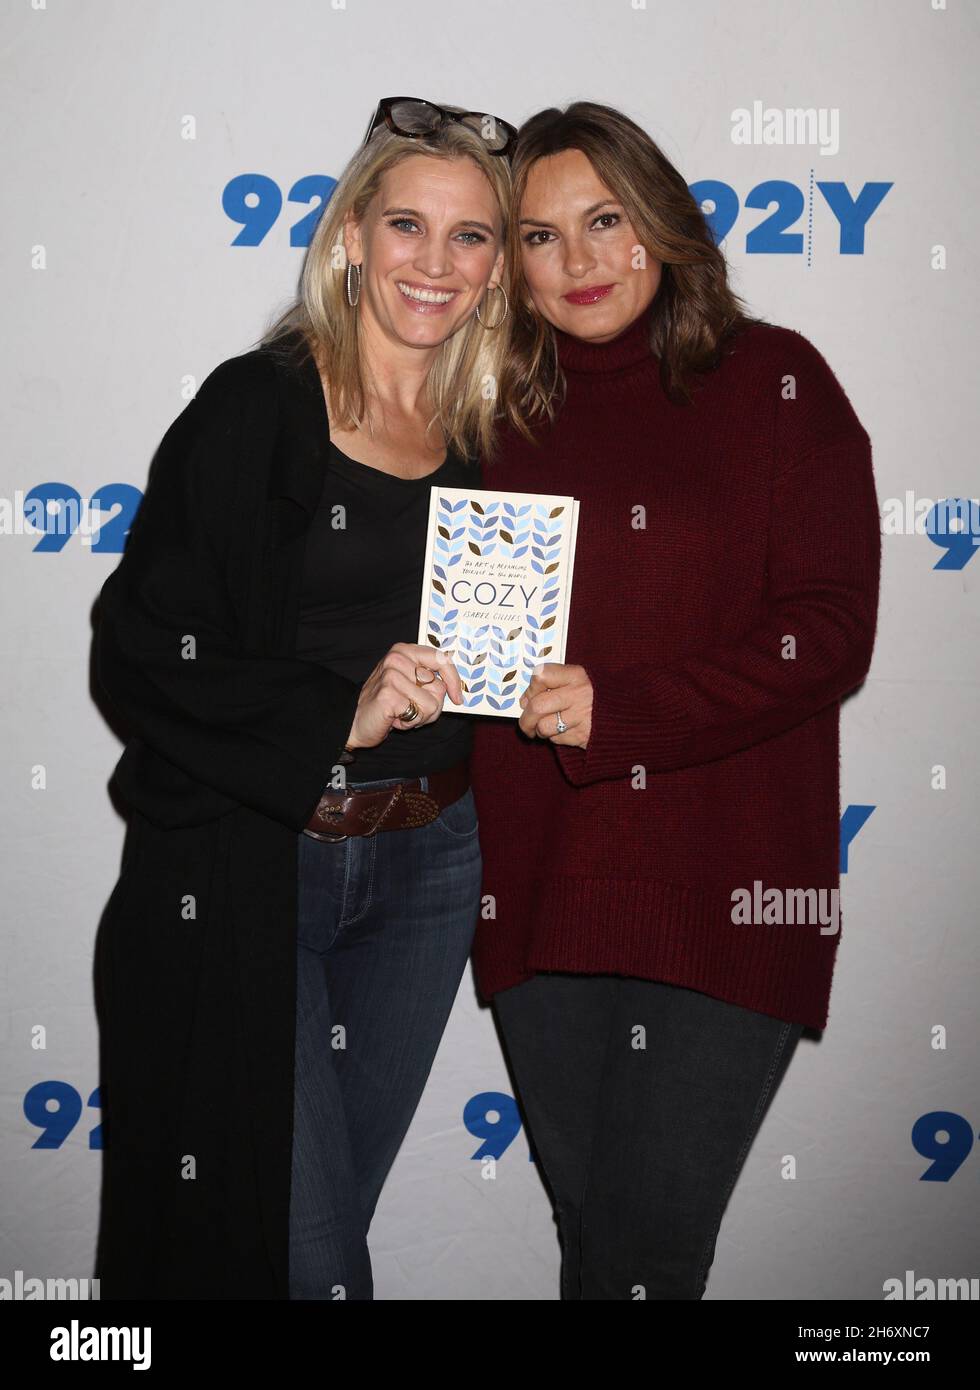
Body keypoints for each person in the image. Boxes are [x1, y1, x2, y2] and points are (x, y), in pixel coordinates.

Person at [93, 97, 515, 1299]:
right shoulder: (255, 406)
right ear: (348, 236)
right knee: (306, 1257)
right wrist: (332, 706)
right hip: (253, 871)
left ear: (493, 270)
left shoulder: (496, 429)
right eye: (405, 225)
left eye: (471, 237)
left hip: (429, 873)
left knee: (309, 1244)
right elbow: (138, 644)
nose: (434, 263)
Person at [469, 101, 882, 1299]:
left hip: (726, 888)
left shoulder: (775, 380)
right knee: (598, 1254)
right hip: (539, 892)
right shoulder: (487, 409)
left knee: (641, 1260)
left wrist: (625, 711)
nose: (580, 261)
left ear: (662, 221)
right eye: (540, 237)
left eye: (605, 220)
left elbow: (827, 632)